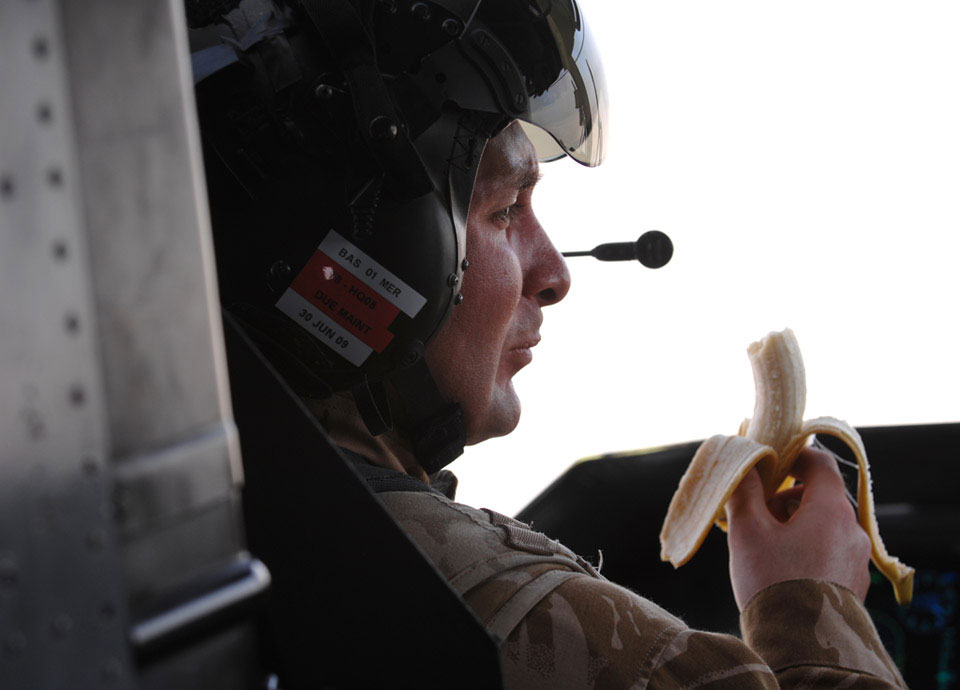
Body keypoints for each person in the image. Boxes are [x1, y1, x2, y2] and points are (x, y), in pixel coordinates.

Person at [188, 0, 908, 686]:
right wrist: (811, 602)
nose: (556, 275)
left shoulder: (214, 523)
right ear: (387, 247)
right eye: (505, 209)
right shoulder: (551, 631)